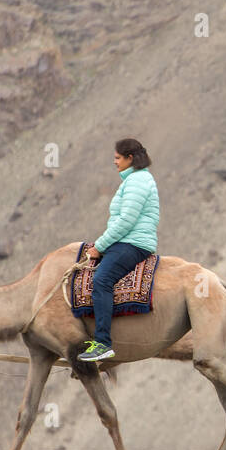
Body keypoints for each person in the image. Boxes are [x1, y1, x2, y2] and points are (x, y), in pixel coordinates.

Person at [78, 138, 159, 363]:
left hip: (133, 243)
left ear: (130, 158)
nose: (114, 162)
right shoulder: (134, 180)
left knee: (101, 280)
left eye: (117, 158)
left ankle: (103, 343)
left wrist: (100, 246)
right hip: (128, 241)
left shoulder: (137, 181)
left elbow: (126, 221)